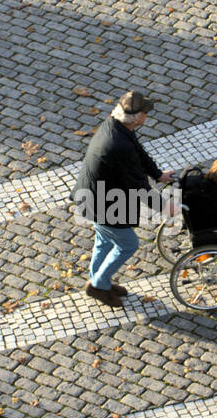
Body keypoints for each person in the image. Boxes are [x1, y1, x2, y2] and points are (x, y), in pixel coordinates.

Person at [72, 90, 177, 307]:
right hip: (101, 204)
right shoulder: (119, 146)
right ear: (138, 118)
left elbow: (138, 151)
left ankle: (99, 281)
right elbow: (139, 187)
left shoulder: (116, 125)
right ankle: (98, 285)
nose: (147, 115)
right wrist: (165, 207)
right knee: (128, 244)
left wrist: (158, 174)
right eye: (145, 112)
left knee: (104, 241)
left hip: (96, 196)